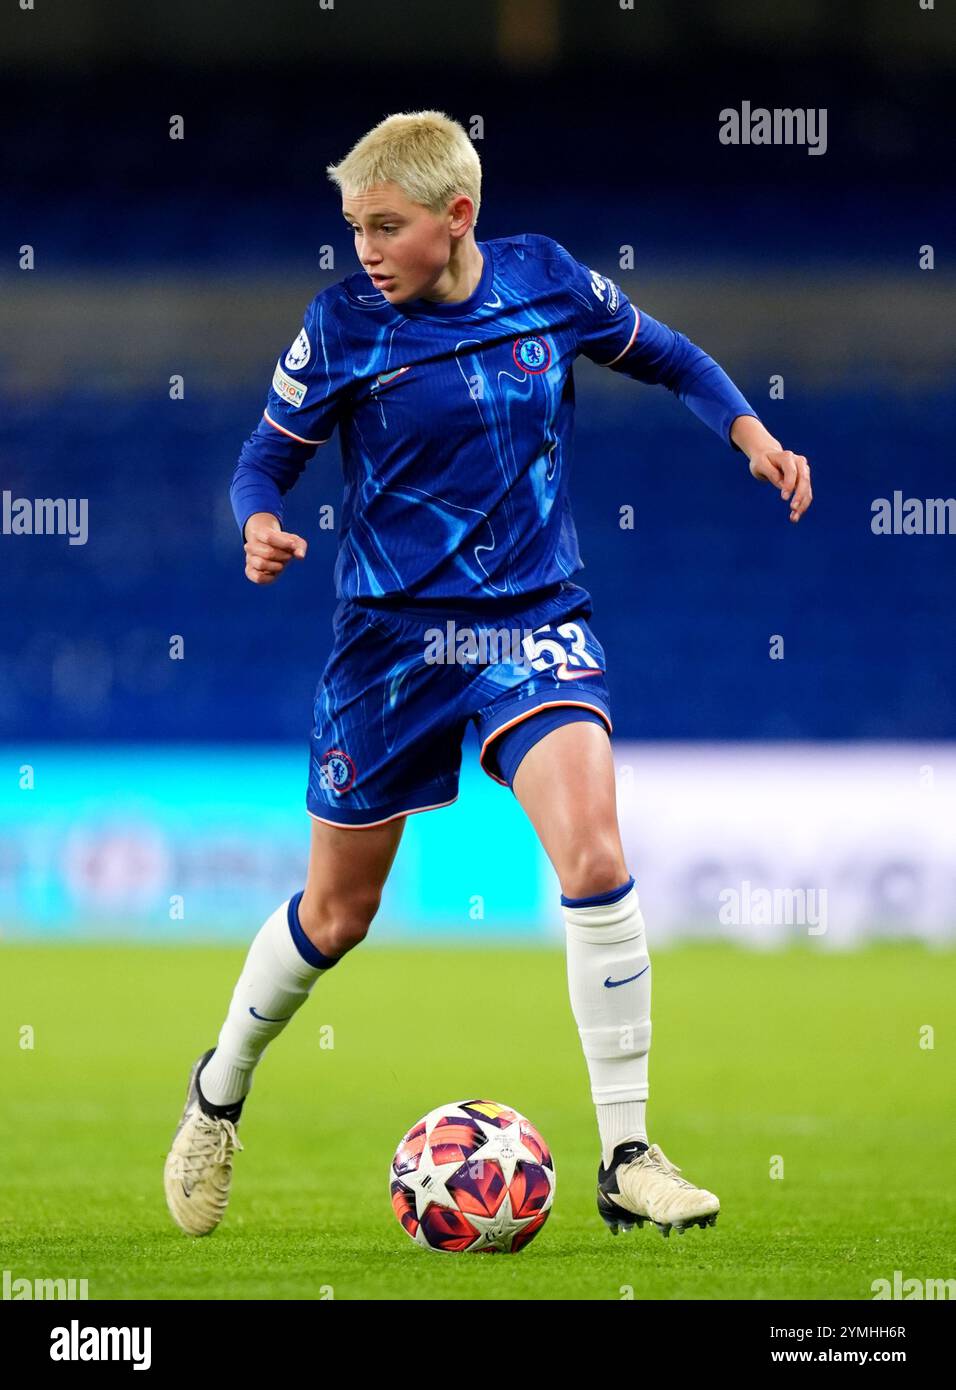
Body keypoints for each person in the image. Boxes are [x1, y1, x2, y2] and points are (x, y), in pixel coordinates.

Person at [164, 110, 812, 1241]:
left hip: (529, 620)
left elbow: (666, 355)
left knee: (595, 852)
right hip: (389, 645)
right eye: (353, 225)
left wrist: (746, 432)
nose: (362, 247)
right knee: (336, 911)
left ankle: (624, 1153)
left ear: (456, 217)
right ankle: (218, 1089)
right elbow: (265, 455)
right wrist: (260, 521)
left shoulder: (544, 280)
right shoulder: (341, 324)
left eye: (384, 224)